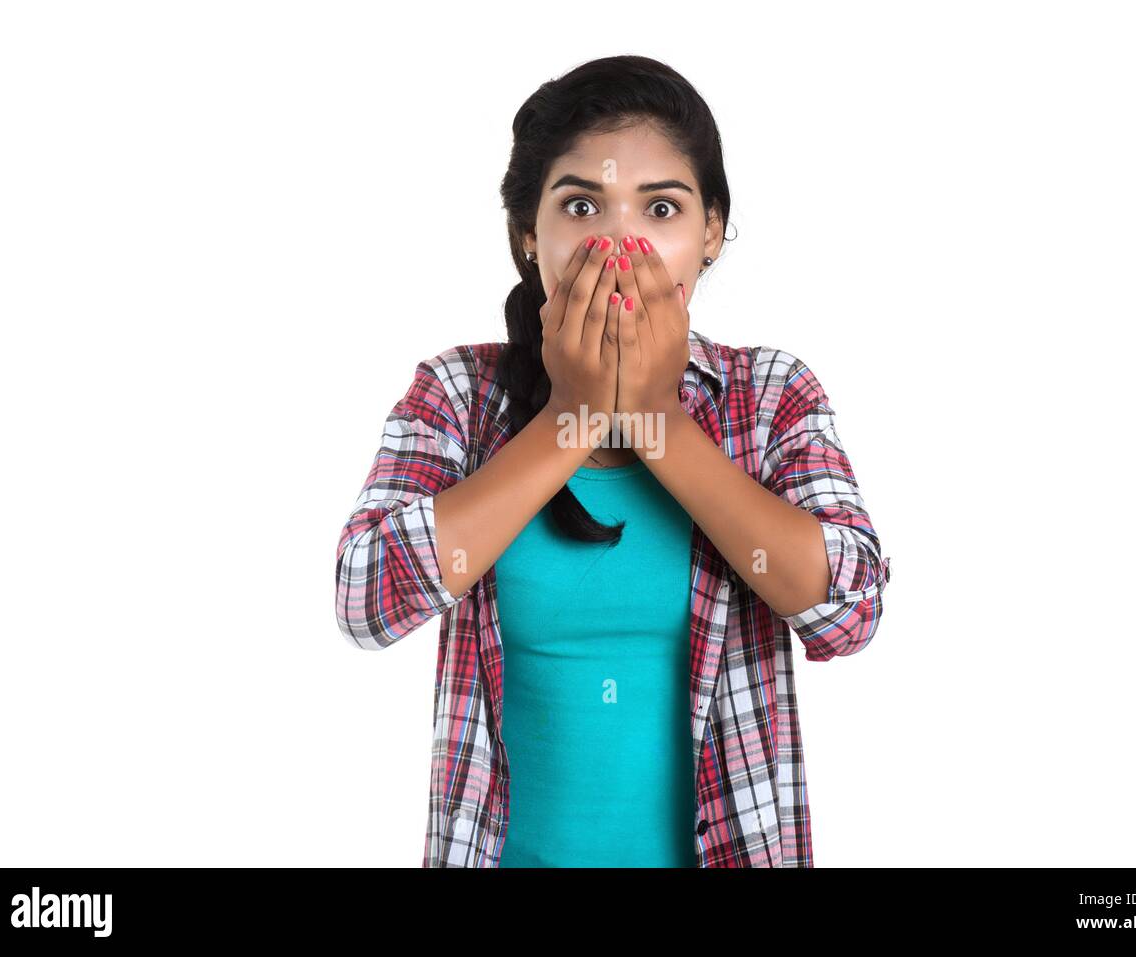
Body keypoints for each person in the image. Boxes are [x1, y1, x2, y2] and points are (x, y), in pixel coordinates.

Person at [334, 54, 891, 867]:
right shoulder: (457, 392)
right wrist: (571, 419)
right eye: (583, 205)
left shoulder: (771, 394)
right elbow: (363, 598)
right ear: (529, 235)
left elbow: (849, 608)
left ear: (710, 233)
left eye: (660, 207)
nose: (620, 243)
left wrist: (657, 423)